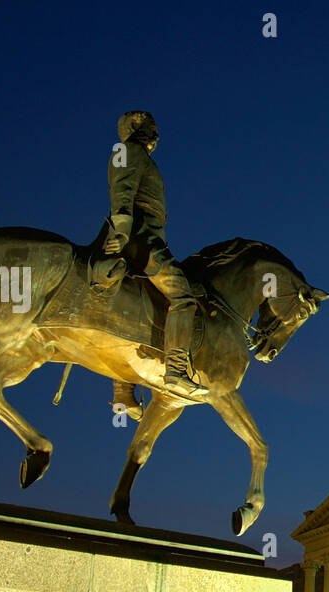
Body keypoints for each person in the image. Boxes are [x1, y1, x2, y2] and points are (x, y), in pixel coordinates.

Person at [100, 111, 209, 410]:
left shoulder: (133, 153)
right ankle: (176, 370)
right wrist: (122, 230)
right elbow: (122, 189)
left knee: (145, 303)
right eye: (151, 128)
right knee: (182, 297)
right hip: (141, 238)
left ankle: (123, 393)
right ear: (134, 126)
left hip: (144, 236)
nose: (156, 135)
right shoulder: (129, 151)